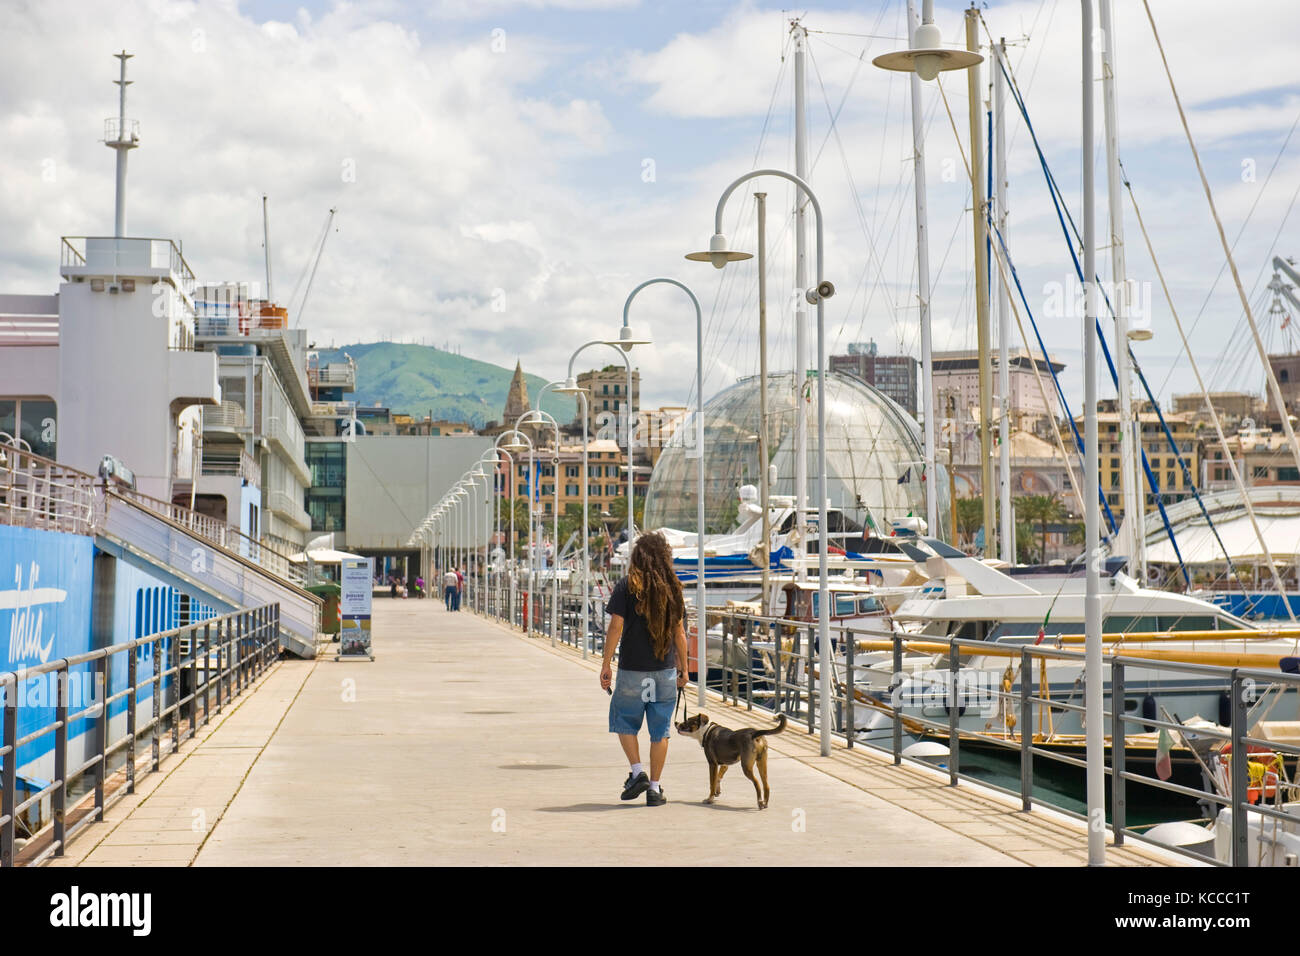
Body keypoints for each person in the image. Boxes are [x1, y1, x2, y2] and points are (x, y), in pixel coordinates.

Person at [599, 532, 689, 806]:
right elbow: (679, 633)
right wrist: (684, 669)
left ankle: (637, 771)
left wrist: (605, 664)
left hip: (632, 671)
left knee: (624, 721)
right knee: (660, 731)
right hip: (664, 671)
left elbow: (616, 627)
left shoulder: (627, 586)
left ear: (638, 557)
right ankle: (654, 788)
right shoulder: (673, 589)